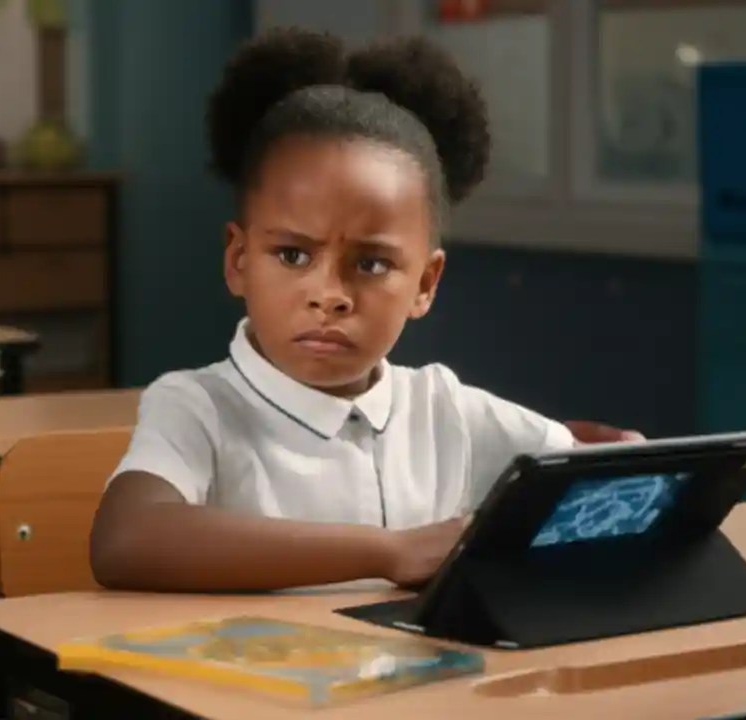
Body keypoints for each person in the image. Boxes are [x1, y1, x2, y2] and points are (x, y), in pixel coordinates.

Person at [90, 28, 641, 593]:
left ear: (425, 283)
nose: (330, 294)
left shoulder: (444, 408)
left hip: (416, 681)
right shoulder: (197, 407)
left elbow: (588, 465)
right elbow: (126, 539)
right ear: (238, 261)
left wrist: (620, 463)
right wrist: (390, 552)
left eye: (372, 265)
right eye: (293, 254)